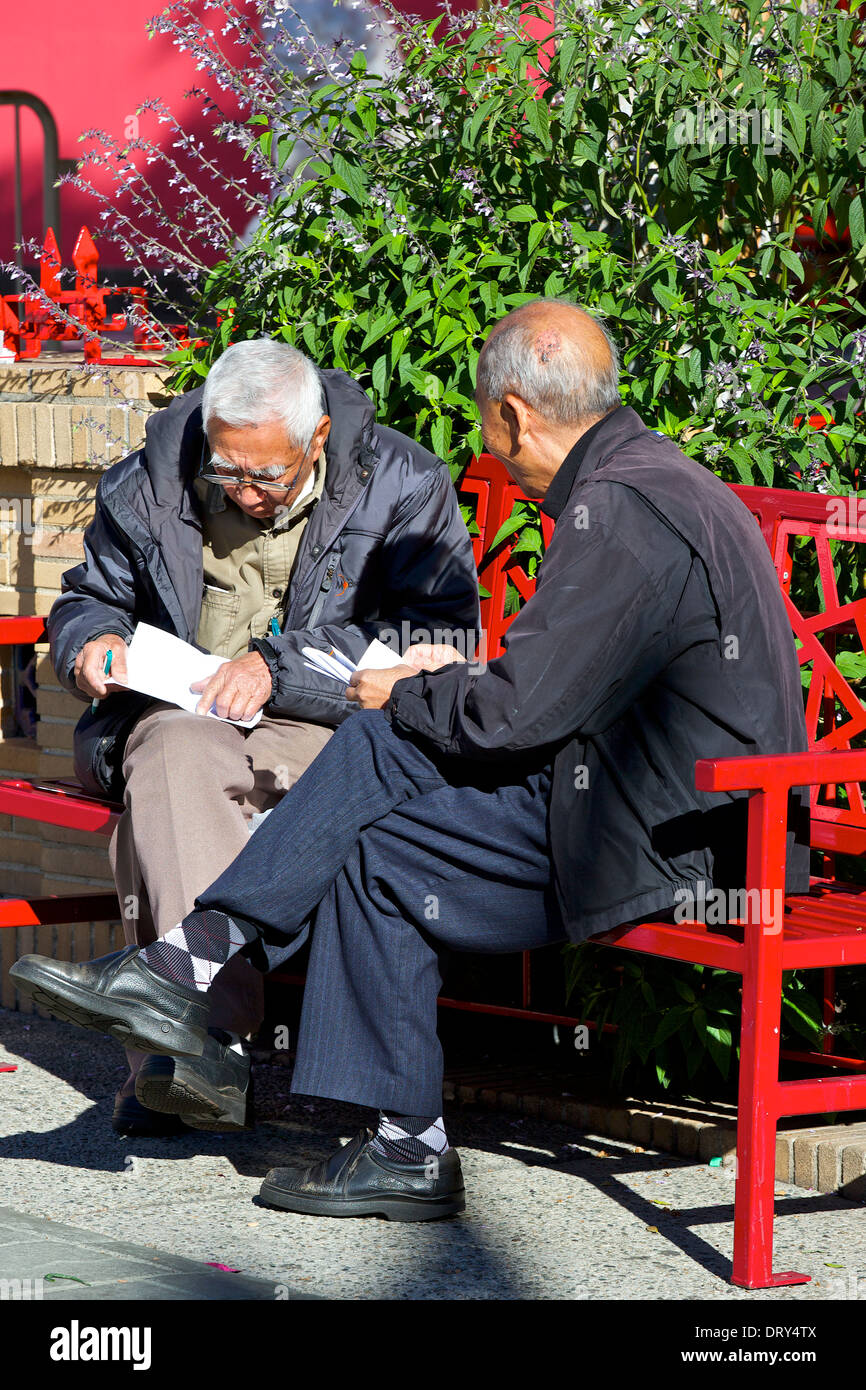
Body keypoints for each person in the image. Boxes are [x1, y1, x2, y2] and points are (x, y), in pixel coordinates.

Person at [14, 300, 810, 1219]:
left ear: (512, 413)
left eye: (485, 418)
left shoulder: (619, 510)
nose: (487, 440)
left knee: (384, 753)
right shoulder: (647, 483)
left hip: (679, 837)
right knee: (376, 817)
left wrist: (406, 689)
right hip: (658, 807)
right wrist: (437, 684)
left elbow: (518, 713)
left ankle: (198, 971)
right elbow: (556, 688)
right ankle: (390, 1135)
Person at [44, 337, 480, 1137]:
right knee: (172, 760)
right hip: (183, 713)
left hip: (330, 722)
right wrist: (90, 644)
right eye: (227, 471)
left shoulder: (403, 482)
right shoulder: (148, 480)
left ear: (315, 440)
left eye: (265, 475)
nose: (244, 492)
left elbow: (438, 637)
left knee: (176, 800)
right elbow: (90, 597)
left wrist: (279, 668)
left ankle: (188, 1049)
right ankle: (205, 1042)